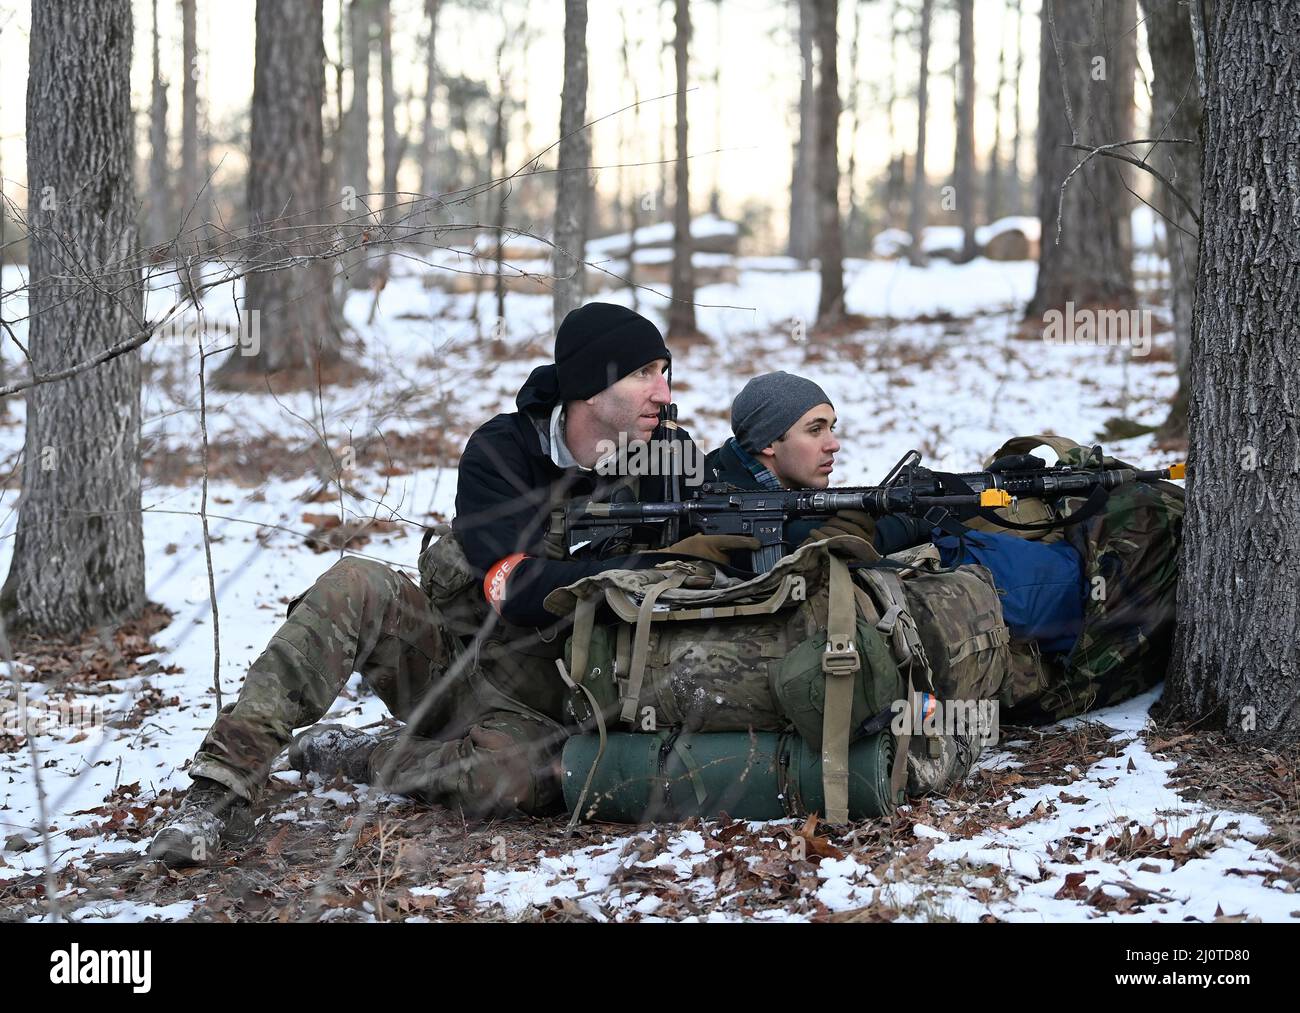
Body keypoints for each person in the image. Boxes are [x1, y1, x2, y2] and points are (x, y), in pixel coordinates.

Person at [149, 303, 727, 867]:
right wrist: (627, 572)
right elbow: (512, 588)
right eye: (643, 374)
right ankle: (218, 793)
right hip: (453, 664)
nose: (664, 393)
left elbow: (713, 555)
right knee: (355, 582)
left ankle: (357, 752)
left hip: (558, 700)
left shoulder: (671, 456)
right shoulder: (503, 452)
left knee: (514, 784)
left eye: (664, 372)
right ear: (589, 387)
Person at [704, 371, 931, 555]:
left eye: (831, 428)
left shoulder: (768, 485)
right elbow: (799, 536)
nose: (834, 444)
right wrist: (914, 521)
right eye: (815, 430)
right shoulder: (728, 505)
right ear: (767, 442)